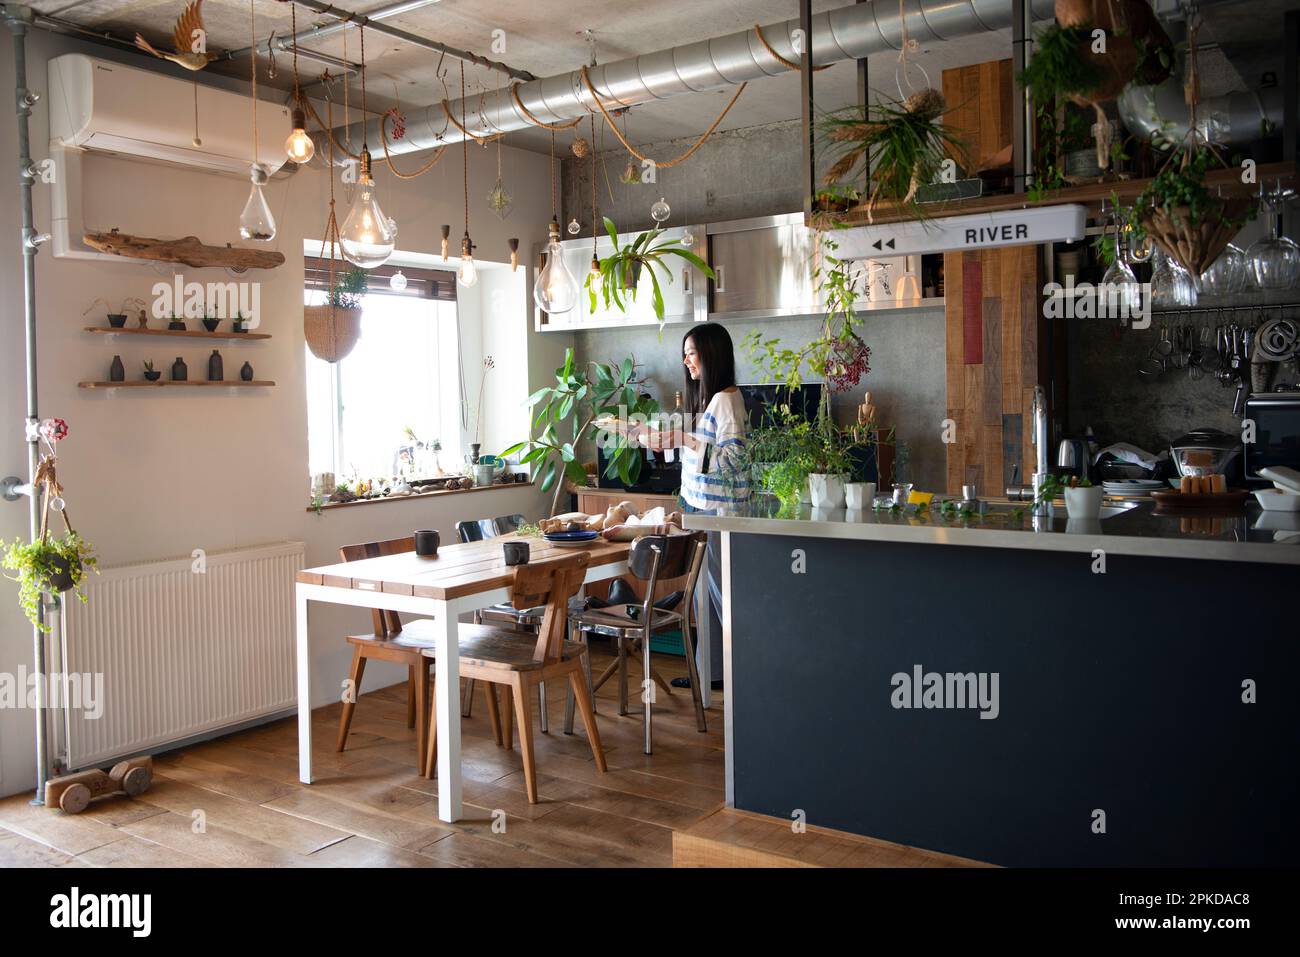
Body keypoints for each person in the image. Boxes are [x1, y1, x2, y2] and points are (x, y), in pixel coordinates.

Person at [634, 322, 749, 690]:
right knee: (704, 595)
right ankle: (710, 673)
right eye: (684, 354)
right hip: (703, 512)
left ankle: (747, 675)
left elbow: (733, 460)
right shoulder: (714, 399)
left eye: (691, 353)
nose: (685, 361)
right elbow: (701, 454)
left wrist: (683, 438)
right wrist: (671, 441)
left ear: (711, 354)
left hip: (718, 515)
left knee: (722, 597)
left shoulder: (726, 400)